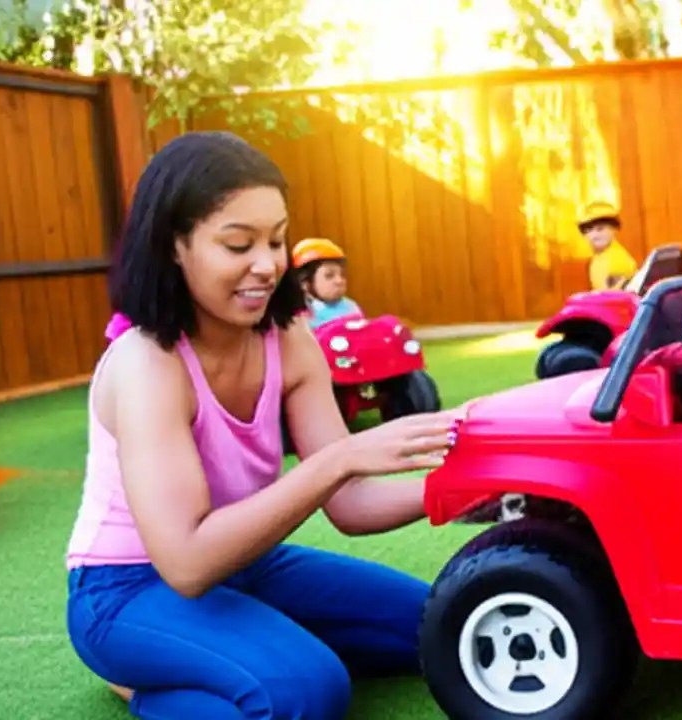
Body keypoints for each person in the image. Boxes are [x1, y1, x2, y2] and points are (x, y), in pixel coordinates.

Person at [64, 131, 458, 720]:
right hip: (128, 591)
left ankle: (241, 647)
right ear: (175, 245)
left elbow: (350, 506)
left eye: (276, 240)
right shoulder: (147, 365)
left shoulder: (290, 337)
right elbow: (188, 563)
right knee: (306, 690)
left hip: (250, 564)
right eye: (237, 244)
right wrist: (338, 460)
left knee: (447, 622)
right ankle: (142, 683)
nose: (267, 264)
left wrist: (463, 487)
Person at [292, 237, 362, 328]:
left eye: (342, 274)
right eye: (329, 275)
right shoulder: (301, 316)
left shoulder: (351, 307)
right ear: (305, 283)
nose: (339, 281)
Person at [579, 201, 639, 291]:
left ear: (614, 229)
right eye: (588, 231)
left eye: (600, 229)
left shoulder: (618, 260)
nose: (594, 236)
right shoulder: (597, 258)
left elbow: (614, 299)